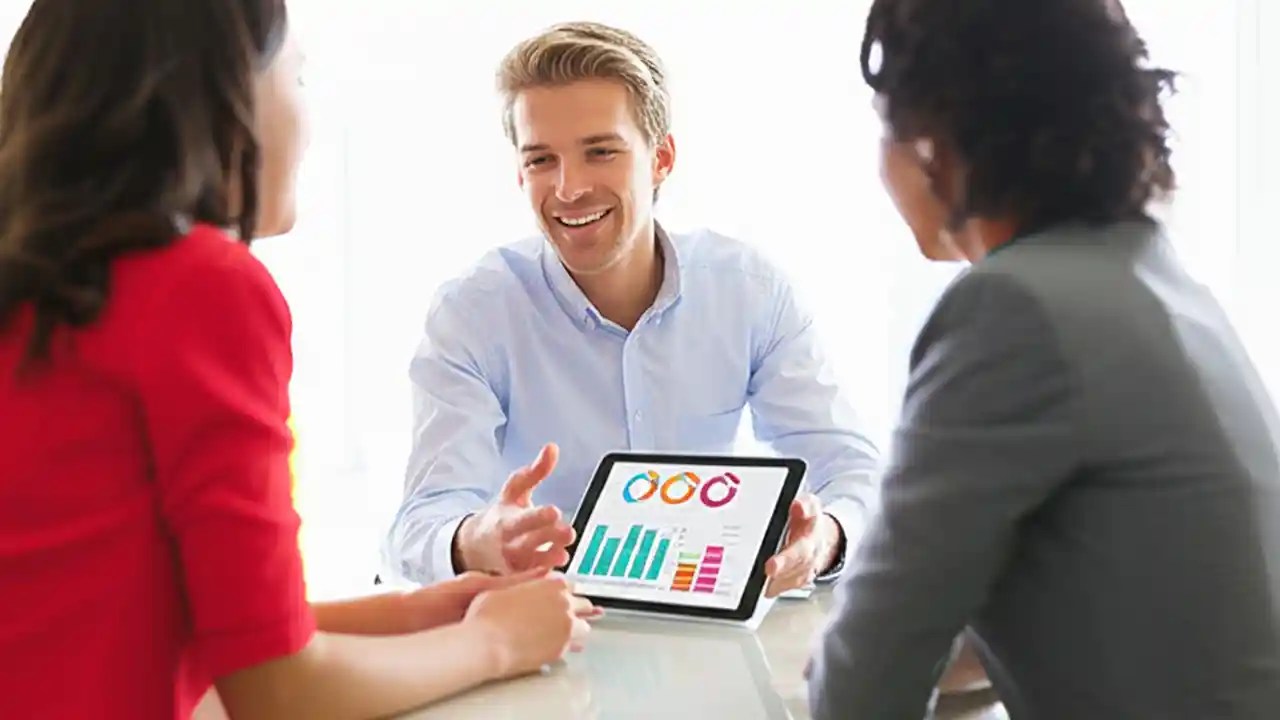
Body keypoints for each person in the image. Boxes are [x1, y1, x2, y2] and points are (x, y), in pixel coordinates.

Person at [0, 2, 594, 719]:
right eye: (299, 75)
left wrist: (422, 613)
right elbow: (276, 688)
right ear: (225, 92)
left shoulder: (44, 288)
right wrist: (494, 645)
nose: (310, 123)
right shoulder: (197, 288)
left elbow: (198, 625)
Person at [806, 0, 1280, 718]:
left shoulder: (1013, 310)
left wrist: (844, 661)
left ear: (934, 136)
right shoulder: (1151, 275)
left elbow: (862, 684)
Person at [382, 21, 882, 599]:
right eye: (542, 160)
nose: (569, 188)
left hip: (705, 630)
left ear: (661, 158)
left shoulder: (748, 290)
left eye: (601, 152)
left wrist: (825, 540)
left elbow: (852, 470)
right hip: (544, 631)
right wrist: (475, 540)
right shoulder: (473, 313)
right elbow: (419, 524)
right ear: (520, 173)